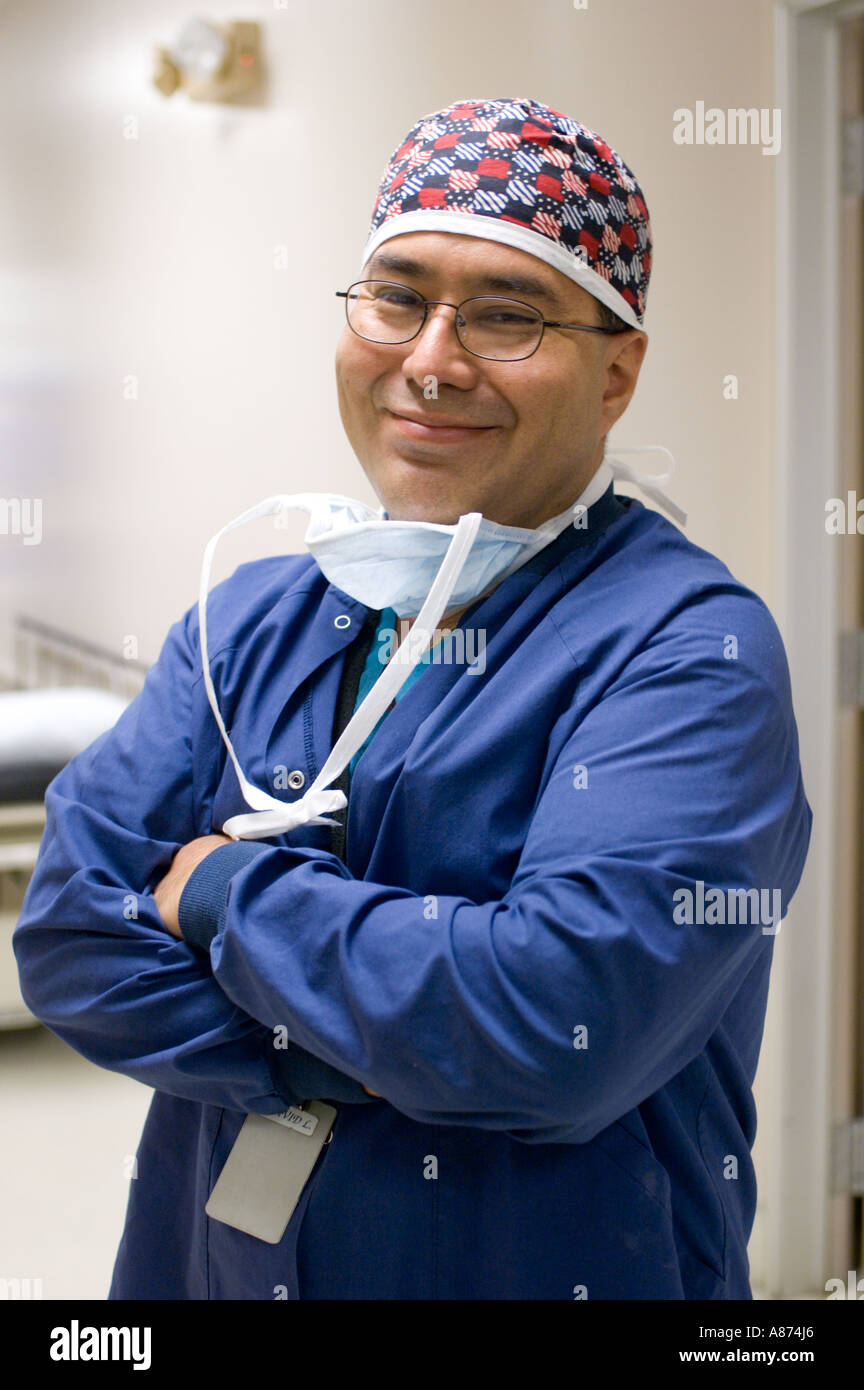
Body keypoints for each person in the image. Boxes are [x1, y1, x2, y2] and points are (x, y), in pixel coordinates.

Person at [14, 97, 812, 1300]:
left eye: (508, 315)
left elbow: (555, 1024)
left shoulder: (689, 651)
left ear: (617, 372)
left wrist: (224, 891)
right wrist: (394, 1043)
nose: (432, 362)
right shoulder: (250, 616)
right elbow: (72, 940)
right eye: (397, 297)